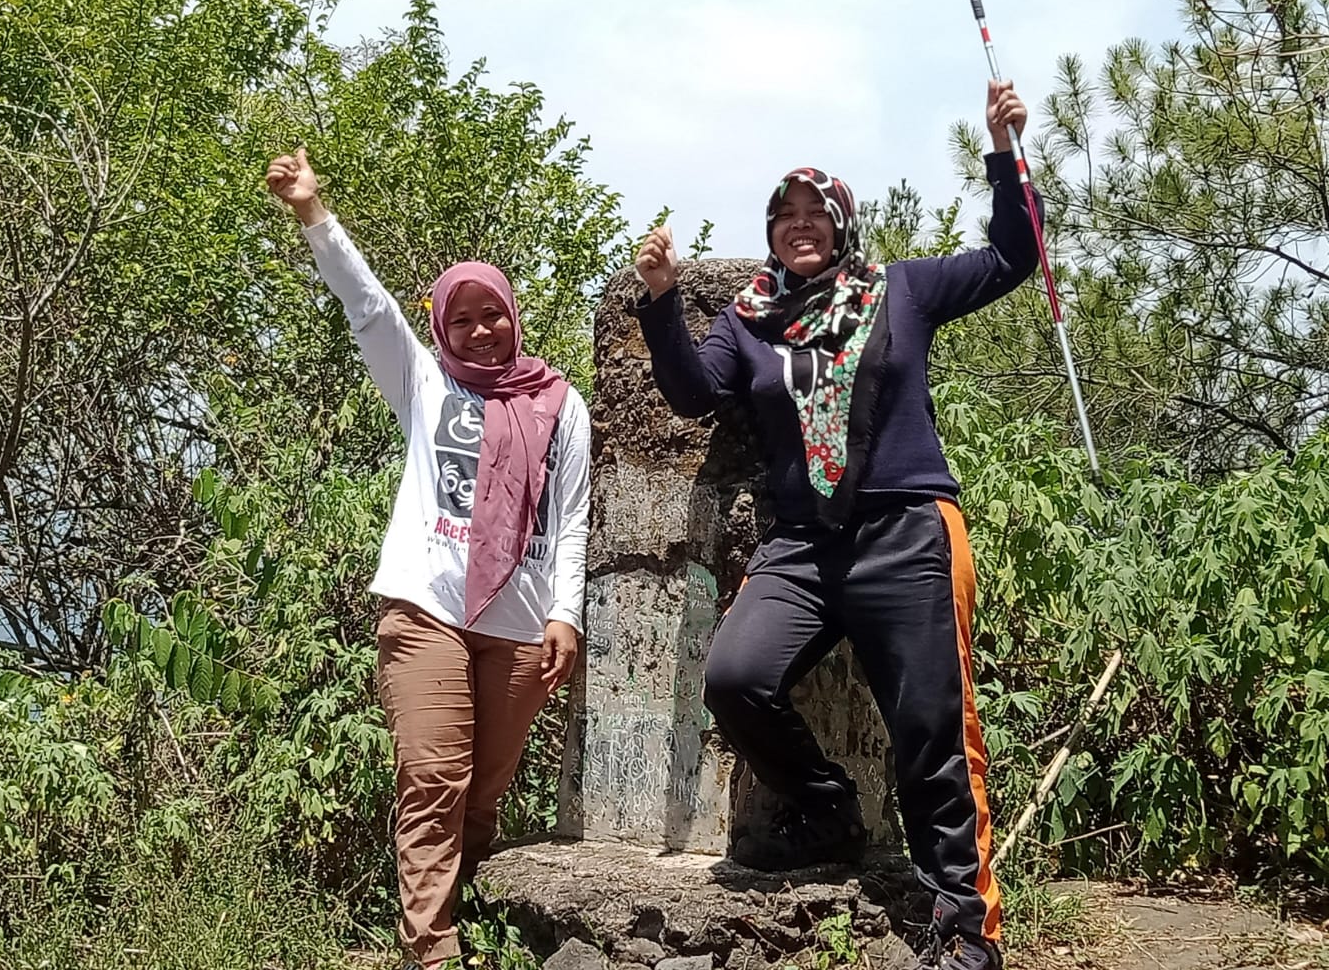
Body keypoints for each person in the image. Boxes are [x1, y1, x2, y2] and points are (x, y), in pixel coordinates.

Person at [631, 82, 1035, 970]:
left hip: (905, 530)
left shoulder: (902, 291)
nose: (799, 225)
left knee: (931, 727)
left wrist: (1005, 153)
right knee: (735, 677)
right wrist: (662, 300)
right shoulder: (750, 322)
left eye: (815, 212)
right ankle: (826, 809)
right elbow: (693, 394)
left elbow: (1013, 256)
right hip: (802, 546)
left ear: (843, 221)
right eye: (785, 216)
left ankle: (965, 929)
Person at [266, 148, 590, 968]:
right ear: (443, 325)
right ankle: (432, 952)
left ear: (515, 315)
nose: (481, 328)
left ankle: (471, 911)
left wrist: (565, 613)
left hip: (520, 620)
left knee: (482, 791)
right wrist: (314, 212)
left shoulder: (562, 403)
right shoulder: (425, 383)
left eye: (494, 314)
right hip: (427, 607)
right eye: (463, 317)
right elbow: (369, 307)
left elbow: (572, 515)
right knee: (435, 780)